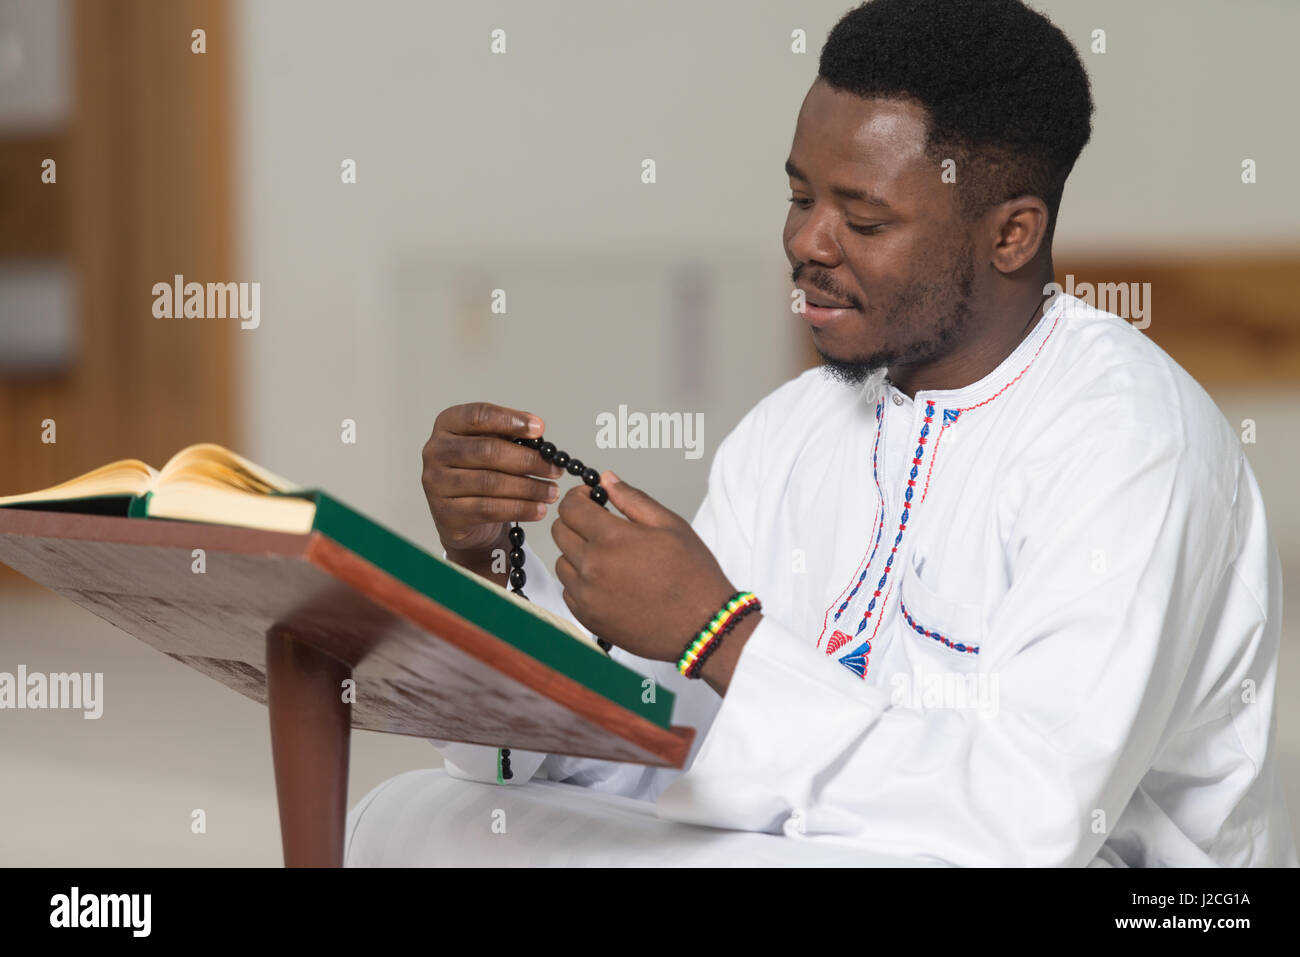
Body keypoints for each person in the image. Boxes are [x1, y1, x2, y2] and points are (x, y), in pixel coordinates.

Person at [346, 0, 1297, 866]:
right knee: (417, 815)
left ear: (1011, 235)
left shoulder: (1128, 443)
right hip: (801, 847)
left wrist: (718, 631)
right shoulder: (793, 429)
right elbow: (644, 760)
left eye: (864, 218)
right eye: (802, 197)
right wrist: (488, 570)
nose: (807, 242)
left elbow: (1030, 825)